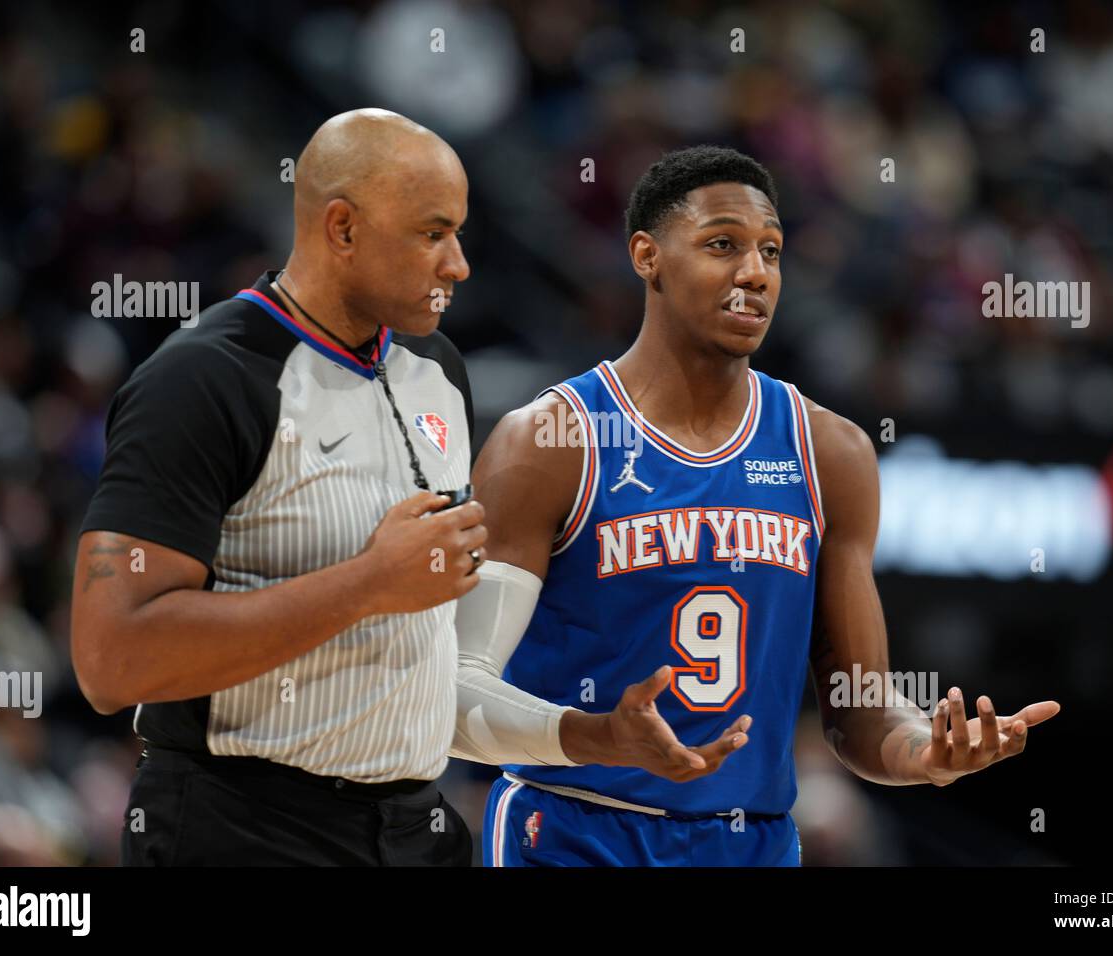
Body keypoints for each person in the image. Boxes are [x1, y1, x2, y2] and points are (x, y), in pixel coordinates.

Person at [453, 145, 1061, 867]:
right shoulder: (553, 441)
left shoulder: (830, 452)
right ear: (646, 256)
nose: (754, 273)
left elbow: (862, 714)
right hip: (575, 832)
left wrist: (926, 752)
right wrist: (595, 735)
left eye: (771, 251)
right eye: (722, 246)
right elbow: (457, 697)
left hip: (752, 842)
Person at [71, 108, 488, 865]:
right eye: (433, 233)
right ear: (342, 228)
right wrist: (368, 583)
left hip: (416, 824)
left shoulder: (440, 370)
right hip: (242, 828)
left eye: (457, 233)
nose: (457, 263)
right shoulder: (200, 379)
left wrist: (580, 734)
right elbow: (110, 661)